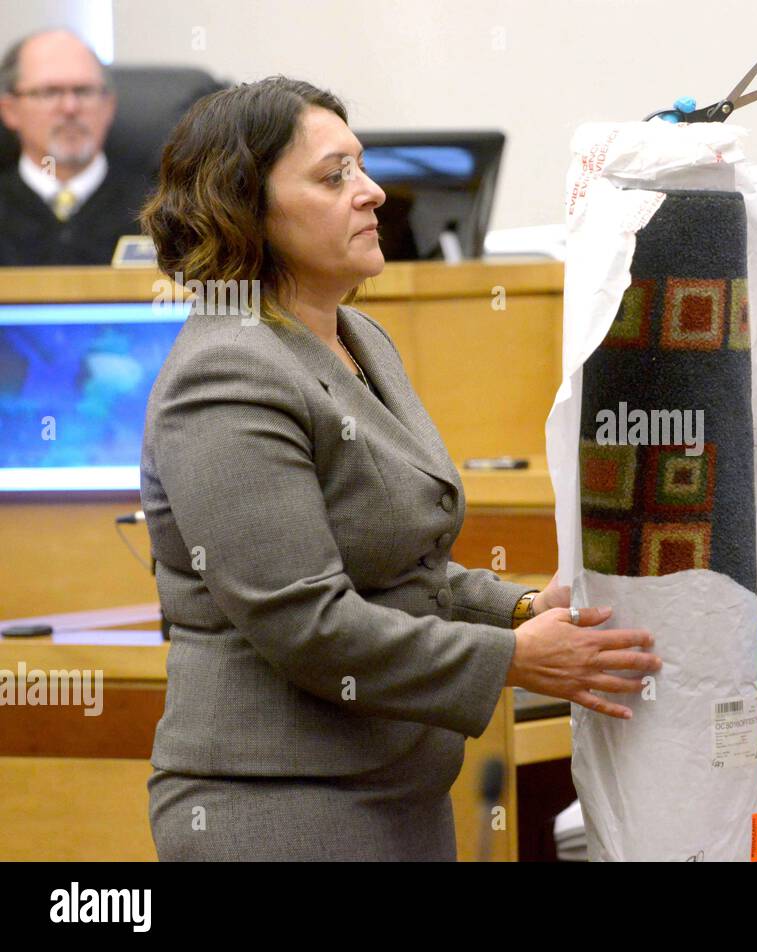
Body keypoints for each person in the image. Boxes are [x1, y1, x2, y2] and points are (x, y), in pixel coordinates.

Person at [138, 76, 660, 861]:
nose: (374, 193)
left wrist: (519, 608)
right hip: (275, 808)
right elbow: (306, 623)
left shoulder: (360, 338)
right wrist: (515, 660)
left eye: (362, 166)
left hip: (398, 792)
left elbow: (404, 570)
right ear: (245, 207)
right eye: (334, 175)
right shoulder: (226, 374)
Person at [0, 29, 150, 265]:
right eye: (49, 92)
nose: (70, 108)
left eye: (84, 91)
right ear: (10, 110)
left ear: (109, 105)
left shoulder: (159, 209)